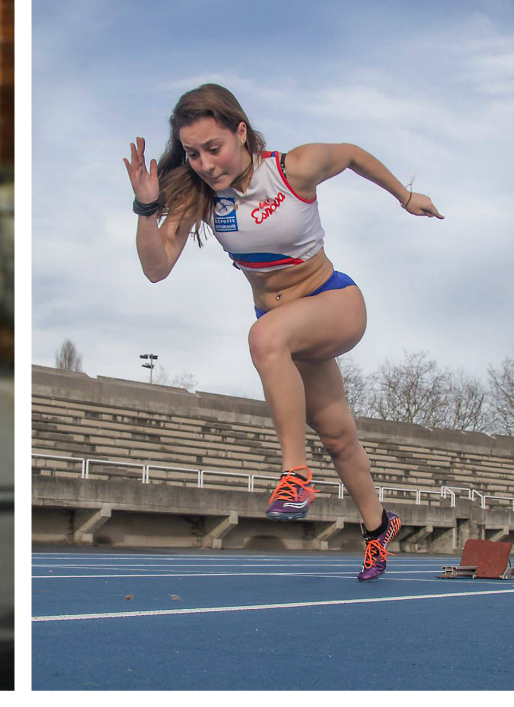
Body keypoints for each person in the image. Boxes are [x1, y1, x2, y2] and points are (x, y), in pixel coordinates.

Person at [124, 83, 443, 581]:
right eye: (193, 153)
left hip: (333, 302)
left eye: (214, 148)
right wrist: (147, 209)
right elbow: (156, 268)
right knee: (338, 436)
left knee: (265, 338)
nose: (206, 163)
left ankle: (294, 475)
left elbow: (353, 155)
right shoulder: (198, 197)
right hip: (289, 333)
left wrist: (405, 196)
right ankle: (378, 528)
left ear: (241, 132)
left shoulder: (292, 168)